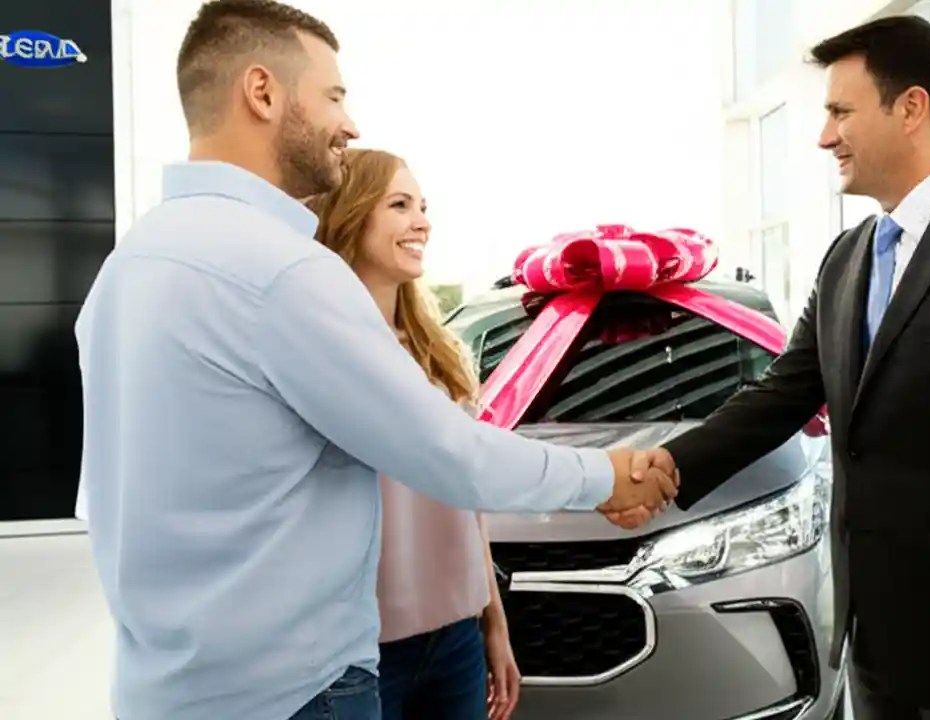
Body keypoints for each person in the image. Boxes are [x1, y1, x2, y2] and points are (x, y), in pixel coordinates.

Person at [73, 2, 674, 720]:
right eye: (333, 95)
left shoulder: (125, 269)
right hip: (297, 693)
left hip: (166, 694)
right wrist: (604, 474)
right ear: (262, 92)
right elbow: (446, 454)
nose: (349, 124)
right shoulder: (282, 270)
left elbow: (101, 496)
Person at [623, 15, 930, 720]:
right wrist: (666, 465)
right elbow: (783, 395)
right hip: (877, 648)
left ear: (911, 107)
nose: (823, 136)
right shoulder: (848, 257)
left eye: (841, 112)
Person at [304, 149, 520, 720]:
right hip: (361, 654)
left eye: (422, 206)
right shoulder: (321, 349)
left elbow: (467, 498)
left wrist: (493, 623)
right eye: (400, 205)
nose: (422, 221)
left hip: (456, 641)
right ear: (351, 217)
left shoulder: (437, 352)